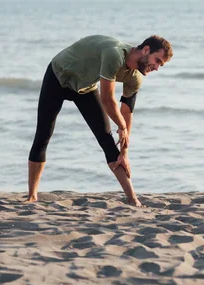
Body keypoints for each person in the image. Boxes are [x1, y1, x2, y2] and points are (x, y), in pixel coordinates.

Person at [26, 35, 173, 206]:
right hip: (58, 76)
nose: (156, 68)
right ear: (146, 50)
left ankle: (133, 199)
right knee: (43, 134)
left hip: (84, 88)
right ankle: (32, 196)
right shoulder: (115, 55)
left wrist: (124, 153)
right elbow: (107, 99)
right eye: (157, 60)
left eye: (160, 65)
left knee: (107, 140)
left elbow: (126, 113)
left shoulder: (135, 78)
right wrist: (122, 126)